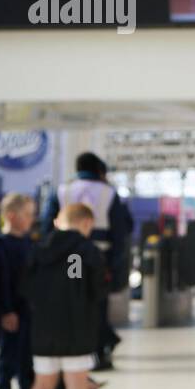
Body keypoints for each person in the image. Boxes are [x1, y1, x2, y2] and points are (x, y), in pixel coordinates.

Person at [16, 202, 107, 389]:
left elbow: (27, 287)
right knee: (76, 384)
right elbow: (83, 287)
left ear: (58, 221)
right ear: (87, 223)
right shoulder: (82, 251)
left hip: (43, 328)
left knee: (42, 384)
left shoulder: (38, 249)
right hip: (75, 329)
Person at [43, 152, 131, 370]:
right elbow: (121, 234)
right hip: (97, 260)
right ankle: (100, 350)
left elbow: (46, 227)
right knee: (96, 304)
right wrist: (115, 267)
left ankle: (75, 351)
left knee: (71, 302)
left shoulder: (62, 191)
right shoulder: (109, 193)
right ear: (100, 171)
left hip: (67, 259)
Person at [0, 192, 37, 389]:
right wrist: (6, 310)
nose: (31, 219)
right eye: (27, 214)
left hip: (29, 310)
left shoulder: (31, 243)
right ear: (11, 216)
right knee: (7, 357)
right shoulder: (1, 246)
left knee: (27, 357)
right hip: (11, 310)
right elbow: (2, 281)